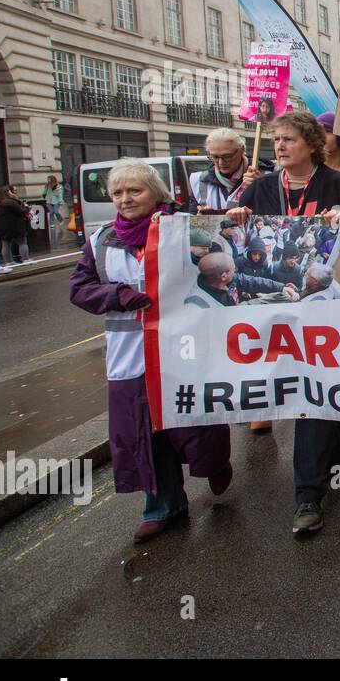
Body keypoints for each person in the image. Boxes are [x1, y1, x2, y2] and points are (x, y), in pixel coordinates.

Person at [69, 159, 232, 542]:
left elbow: (226, 252)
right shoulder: (100, 241)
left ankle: (215, 464)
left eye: (134, 191)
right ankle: (162, 506)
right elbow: (79, 289)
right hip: (131, 355)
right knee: (145, 431)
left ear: (156, 193)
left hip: (186, 349)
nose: (125, 200)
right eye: (117, 193)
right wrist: (116, 294)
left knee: (196, 420)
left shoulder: (187, 228)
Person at [225, 110, 340, 538]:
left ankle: (307, 496)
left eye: (288, 139)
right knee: (308, 395)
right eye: (275, 141)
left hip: (326, 311)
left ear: (310, 143)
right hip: (275, 311)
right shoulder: (260, 189)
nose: (280, 147)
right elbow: (230, 235)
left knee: (312, 393)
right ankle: (338, 441)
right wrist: (234, 221)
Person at [185, 252, 294, 308]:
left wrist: (281, 287)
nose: (235, 272)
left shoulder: (228, 279)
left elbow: (251, 281)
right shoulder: (197, 305)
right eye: (233, 270)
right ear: (223, 276)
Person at [189, 129, 253, 213]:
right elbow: (192, 220)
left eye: (227, 156)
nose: (221, 162)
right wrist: (200, 219)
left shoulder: (264, 176)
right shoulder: (199, 180)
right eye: (215, 157)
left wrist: (259, 188)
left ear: (241, 150)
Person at [0, 183, 30, 264]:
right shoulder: (10, 202)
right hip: (14, 225)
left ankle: (9, 262)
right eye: (11, 191)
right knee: (22, 242)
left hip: (2, 226)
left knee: (6, 244)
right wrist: (26, 207)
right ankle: (26, 259)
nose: (14, 193)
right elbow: (22, 212)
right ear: (8, 193)